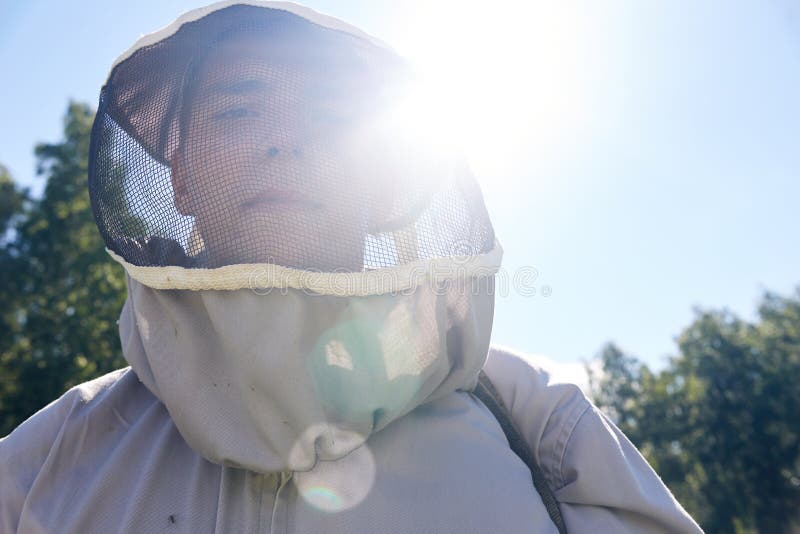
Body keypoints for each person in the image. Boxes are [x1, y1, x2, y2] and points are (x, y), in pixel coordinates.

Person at [0, 2, 703, 532]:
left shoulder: (544, 426)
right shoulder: (46, 460)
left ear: (381, 185)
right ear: (178, 180)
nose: (283, 142)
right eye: (240, 111)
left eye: (330, 118)